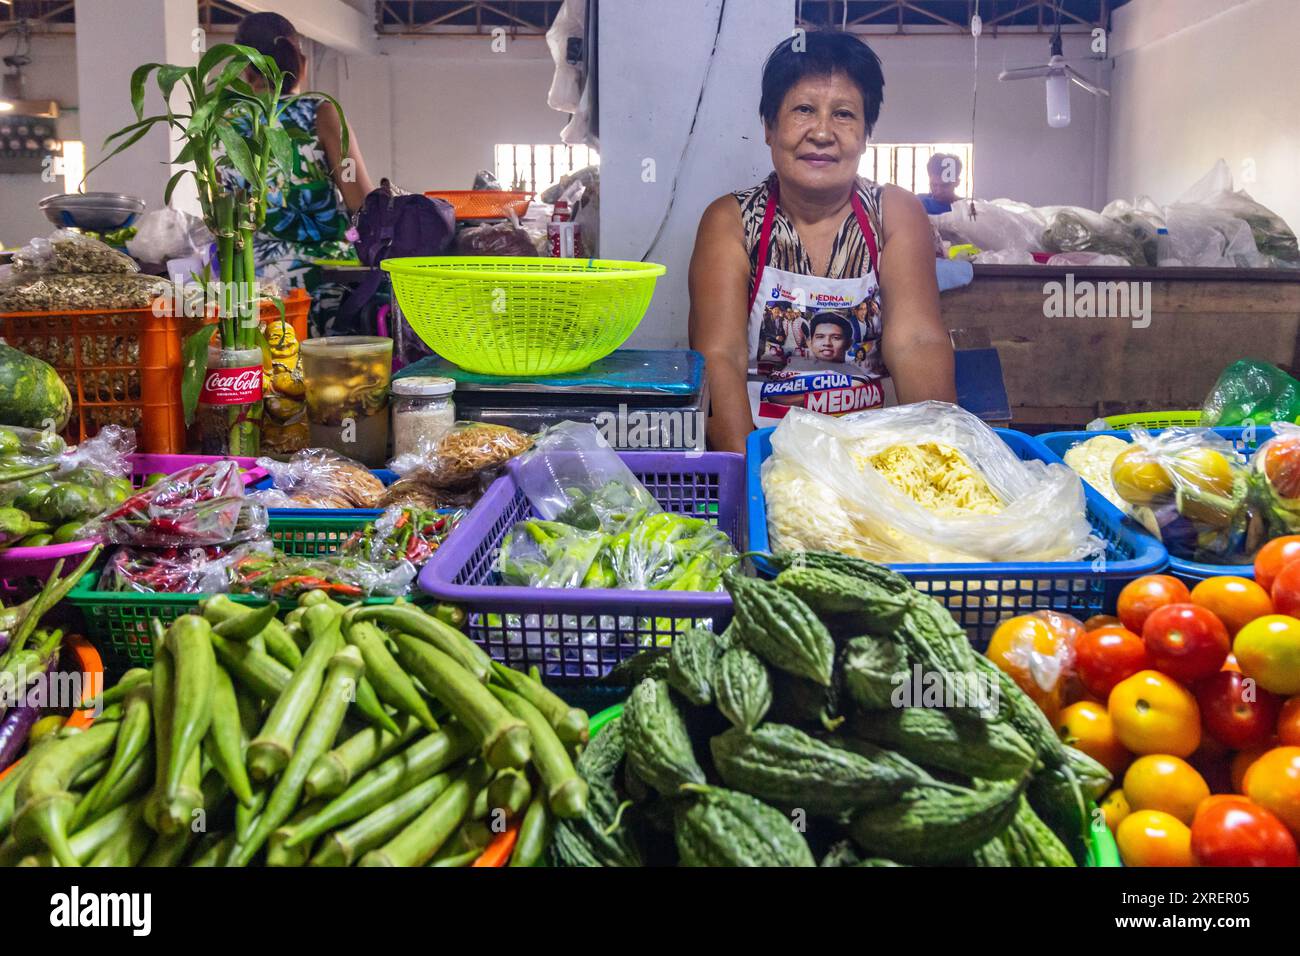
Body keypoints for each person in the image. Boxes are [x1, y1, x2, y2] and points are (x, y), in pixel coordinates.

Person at [688, 30, 956, 452]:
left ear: (866, 134)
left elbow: (917, 342)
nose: (822, 132)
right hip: (767, 447)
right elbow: (720, 358)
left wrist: (937, 461)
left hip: (876, 458)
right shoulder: (732, 221)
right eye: (804, 110)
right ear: (769, 128)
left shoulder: (894, 214)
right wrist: (755, 481)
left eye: (845, 114)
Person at [226, 12, 376, 335]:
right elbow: (365, 209)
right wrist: (348, 239)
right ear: (300, 62)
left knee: (265, 378)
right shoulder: (320, 112)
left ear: (242, 67)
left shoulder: (223, 124)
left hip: (250, 290)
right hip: (321, 286)